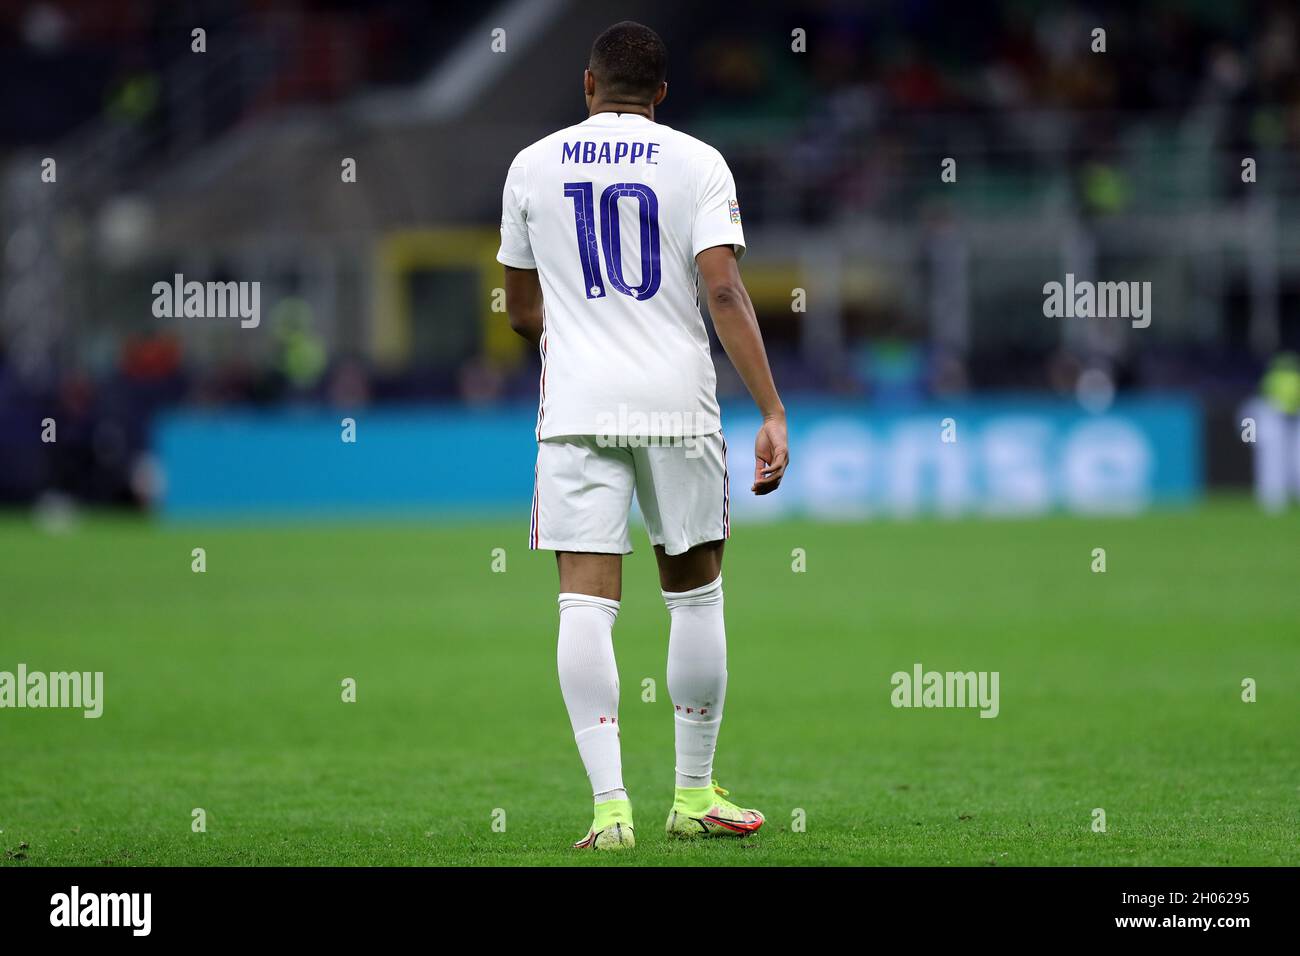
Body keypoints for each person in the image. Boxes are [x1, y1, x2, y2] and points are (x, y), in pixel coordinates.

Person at [496, 21, 789, 850]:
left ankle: (609, 808)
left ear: (587, 86)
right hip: (677, 404)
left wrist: (587, 337)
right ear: (662, 95)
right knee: (694, 595)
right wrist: (771, 409)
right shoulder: (698, 162)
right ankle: (693, 796)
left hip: (580, 407)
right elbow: (725, 294)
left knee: (585, 603)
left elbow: (521, 314)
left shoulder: (531, 165)